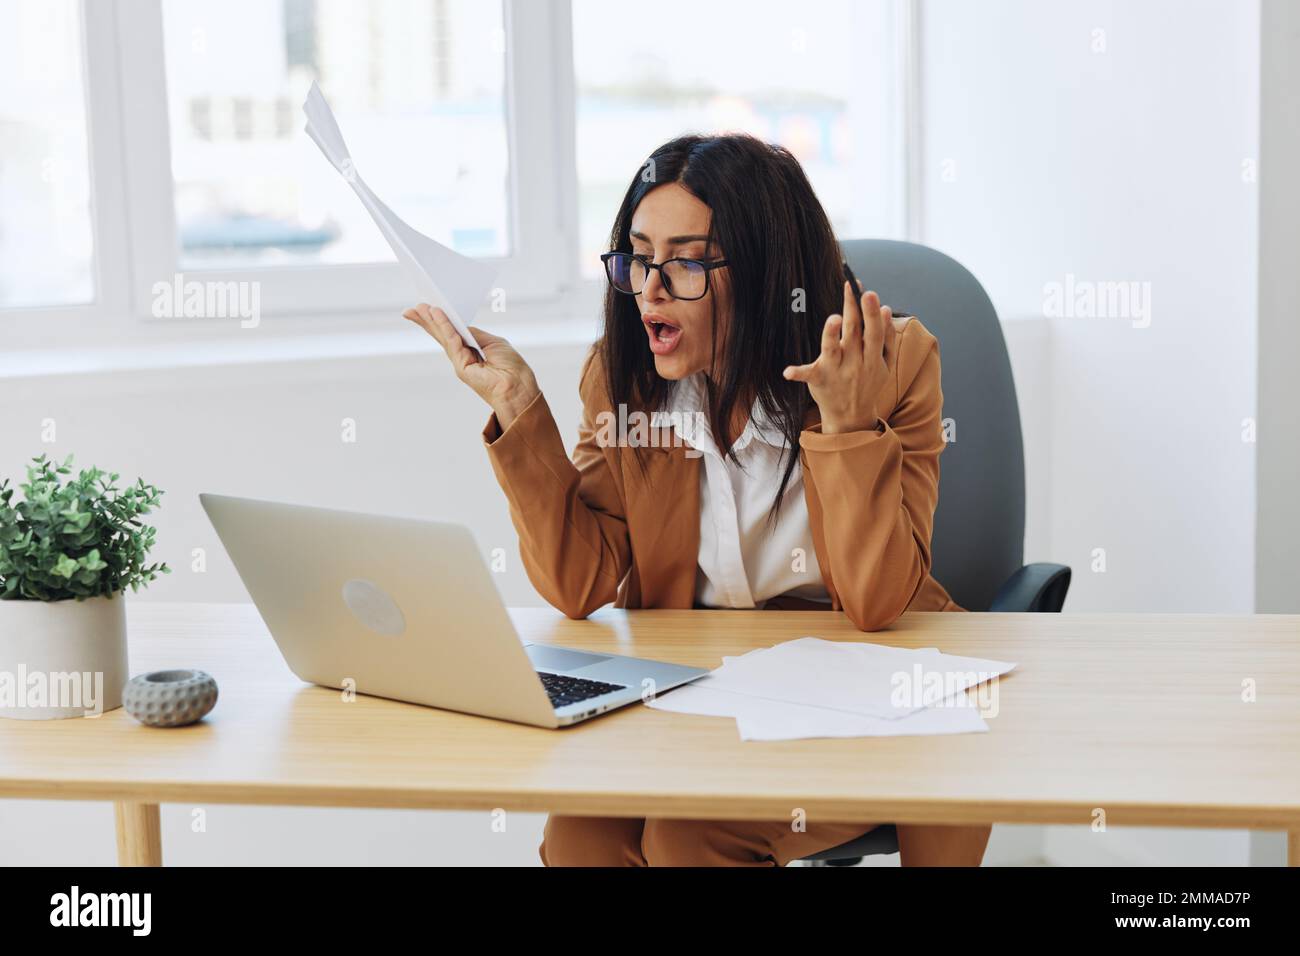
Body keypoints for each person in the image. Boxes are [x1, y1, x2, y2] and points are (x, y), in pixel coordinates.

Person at [404, 133, 989, 867]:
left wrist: (845, 424)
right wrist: (523, 413)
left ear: (769, 273)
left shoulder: (891, 363)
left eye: (684, 261)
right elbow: (579, 583)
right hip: (702, 691)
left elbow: (875, 602)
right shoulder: (626, 383)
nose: (650, 288)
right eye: (640, 258)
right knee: (581, 833)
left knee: (690, 836)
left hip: (862, 687)